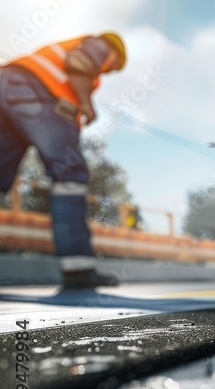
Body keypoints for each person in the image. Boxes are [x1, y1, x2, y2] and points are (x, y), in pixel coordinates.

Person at [0, 33, 127, 288]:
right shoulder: (99, 44)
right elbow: (80, 63)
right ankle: (78, 270)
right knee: (70, 176)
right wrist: (85, 104)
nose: (108, 71)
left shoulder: (52, 52)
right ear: (113, 51)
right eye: (113, 66)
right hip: (35, 91)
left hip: (6, 84)